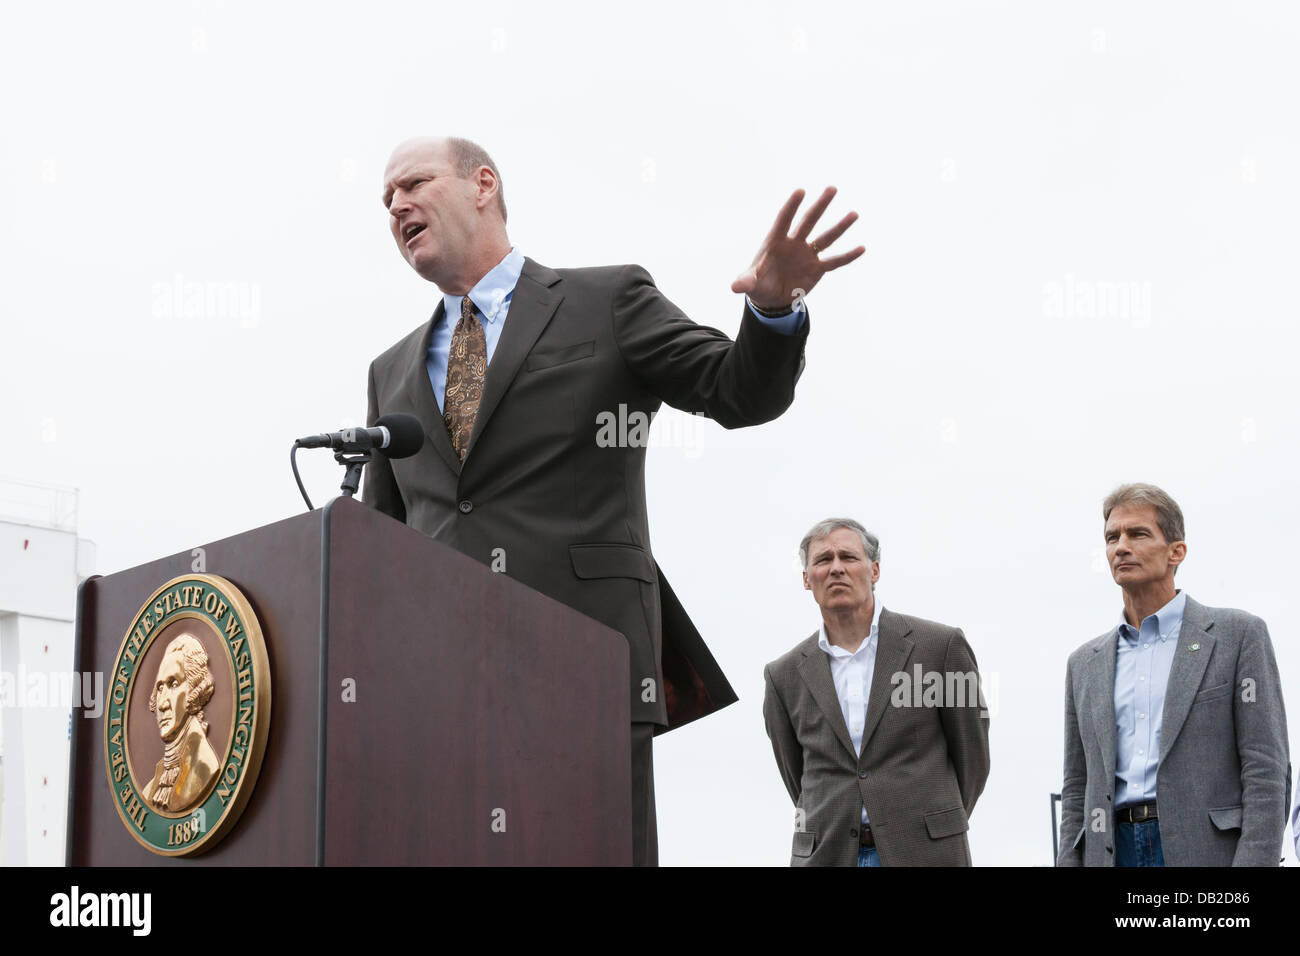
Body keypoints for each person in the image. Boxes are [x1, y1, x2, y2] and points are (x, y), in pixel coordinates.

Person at [363, 136, 864, 866]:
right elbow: (382, 549)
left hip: (583, 671)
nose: (397, 205)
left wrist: (773, 308)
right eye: (385, 201)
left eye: (412, 183)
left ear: (482, 184)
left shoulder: (605, 300)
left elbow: (736, 391)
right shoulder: (391, 372)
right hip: (443, 701)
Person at [1057, 483, 1291, 866]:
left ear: (1176, 552)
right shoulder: (1083, 664)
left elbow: (1267, 769)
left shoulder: (1239, 636)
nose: (1121, 546)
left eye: (1138, 534)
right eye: (1112, 537)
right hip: (1112, 851)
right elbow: (1076, 786)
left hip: (1209, 851)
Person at [762, 518, 990, 866]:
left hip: (926, 854)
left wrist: (934, 823)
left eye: (848, 557)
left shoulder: (939, 648)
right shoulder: (783, 676)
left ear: (875, 571)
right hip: (828, 855)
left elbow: (972, 757)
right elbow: (798, 778)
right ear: (807, 579)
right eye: (823, 560)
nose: (836, 568)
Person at [141, 633, 220, 812]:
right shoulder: (149, 789)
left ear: (195, 689)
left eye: (174, 684)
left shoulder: (206, 769)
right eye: (160, 688)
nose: (162, 704)